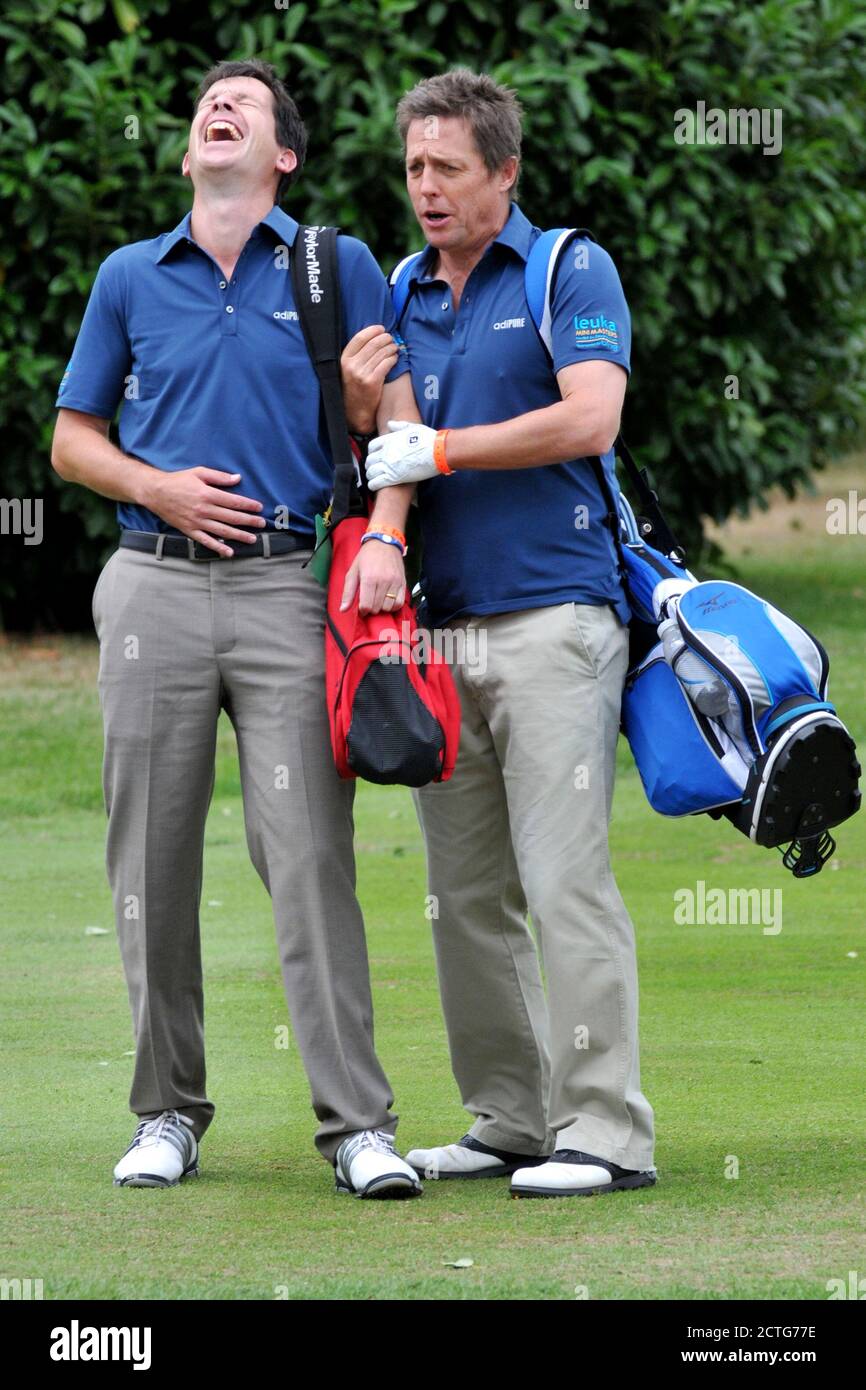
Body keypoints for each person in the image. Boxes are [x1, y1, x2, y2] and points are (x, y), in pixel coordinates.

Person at [50, 59, 421, 1199]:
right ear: (187, 153)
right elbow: (74, 440)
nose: (219, 106)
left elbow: (396, 424)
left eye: (245, 104)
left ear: (283, 154)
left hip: (284, 589)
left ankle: (357, 1125)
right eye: (208, 102)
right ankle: (167, 1111)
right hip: (149, 586)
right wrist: (156, 487)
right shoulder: (128, 274)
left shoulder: (331, 262)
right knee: (149, 863)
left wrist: (383, 537)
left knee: (307, 856)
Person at [352, 68, 657, 1198]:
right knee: (464, 893)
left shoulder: (567, 266)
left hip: (558, 620)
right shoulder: (400, 286)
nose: (425, 188)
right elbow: (388, 444)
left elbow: (590, 413)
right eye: (413, 167)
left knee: (563, 878)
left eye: (448, 168)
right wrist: (380, 483)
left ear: (503, 172)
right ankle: (511, 1119)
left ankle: (606, 1133)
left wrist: (442, 450)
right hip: (443, 633)